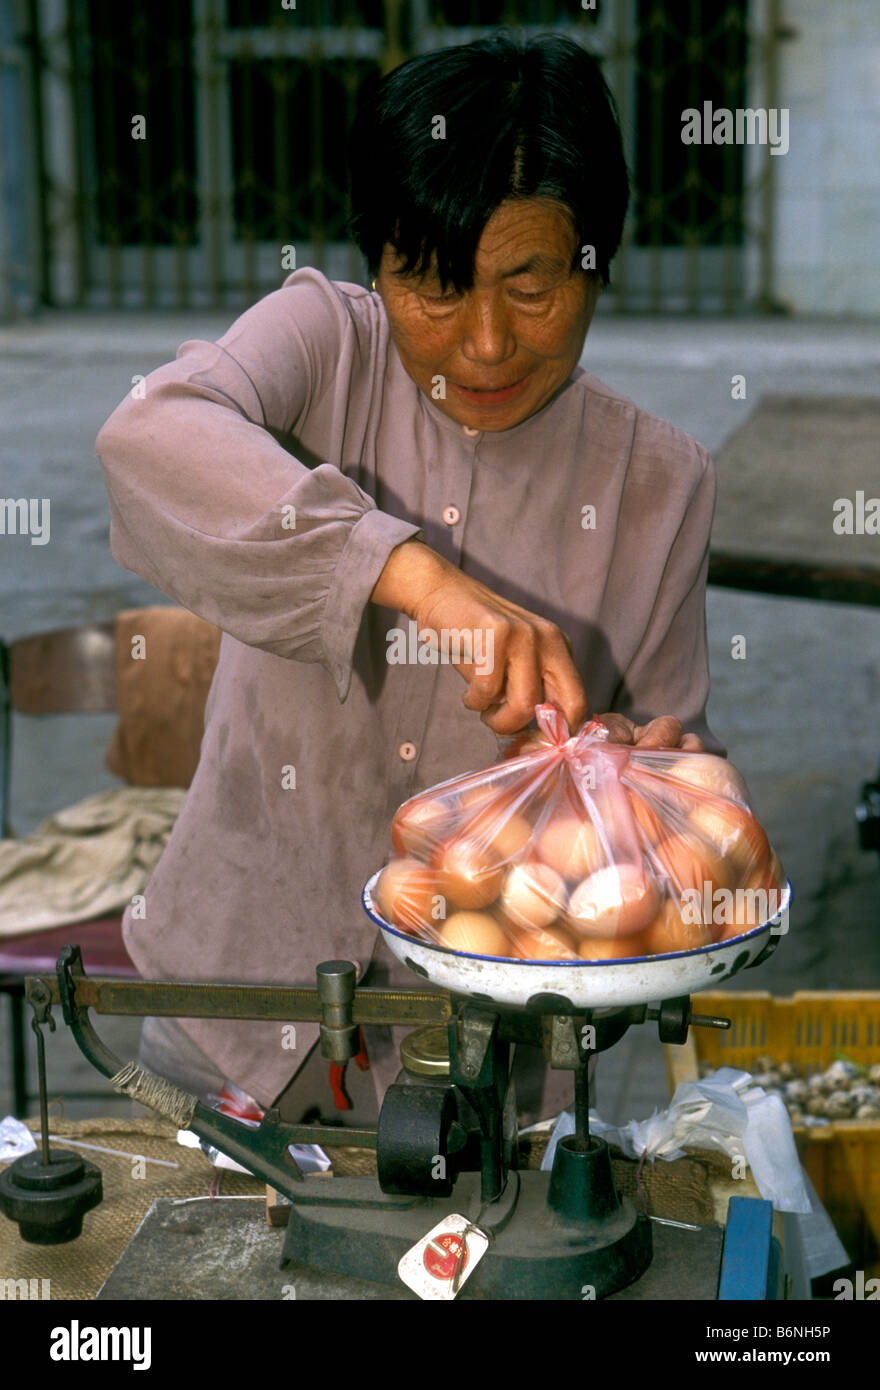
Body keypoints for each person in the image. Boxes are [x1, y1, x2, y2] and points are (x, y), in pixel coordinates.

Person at [95, 32, 725, 1129]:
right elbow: (151, 436)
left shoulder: (659, 484)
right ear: (376, 261)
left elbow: (664, 764)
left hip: (489, 1071)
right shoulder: (323, 345)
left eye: (530, 288)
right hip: (223, 1005)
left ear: (597, 260)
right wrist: (403, 569)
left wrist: (640, 791)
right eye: (432, 285)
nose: (482, 344)